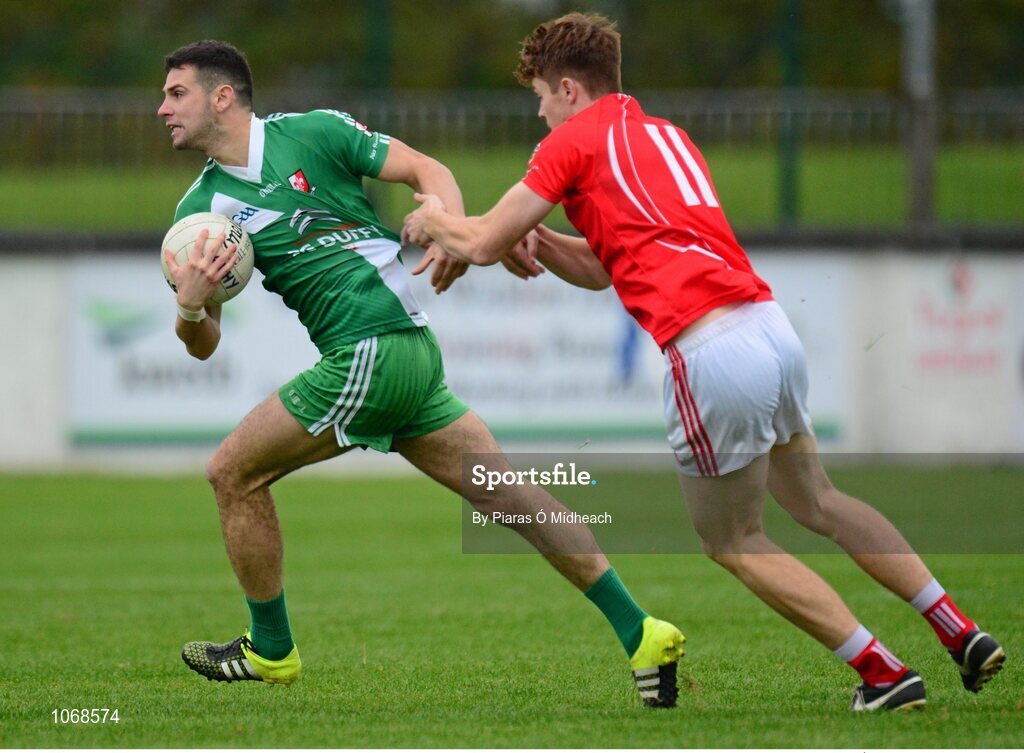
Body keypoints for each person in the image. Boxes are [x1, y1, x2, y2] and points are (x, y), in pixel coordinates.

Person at [402, 13, 1005, 711]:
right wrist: (540, 238)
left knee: (733, 539)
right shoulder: (665, 136)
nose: (539, 112)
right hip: (768, 328)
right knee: (820, 500)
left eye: (540, 95)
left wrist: (433, 219)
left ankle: (882, 670)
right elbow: (605, 267)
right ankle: (957, 627)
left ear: (568, 88)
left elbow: (476, 243)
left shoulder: (570, 141)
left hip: (709, 349)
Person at [158, 40, 685, 707]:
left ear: (222, 96)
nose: (162, 108)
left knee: (232, 471)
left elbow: (426, 169)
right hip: (405, 356)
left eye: (176, 93)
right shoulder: (199, 214)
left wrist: (446, 223)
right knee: (509, 493)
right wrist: (189, 305)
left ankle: (270, 649)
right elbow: (202, 343)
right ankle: (642, 630)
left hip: (374, 348)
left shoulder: (315, 133)